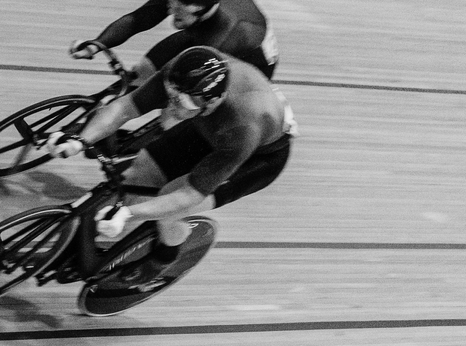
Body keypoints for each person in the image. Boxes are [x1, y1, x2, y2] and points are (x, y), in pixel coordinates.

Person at [46, 45, 296, 290]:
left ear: (214, 100)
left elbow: (188, 195)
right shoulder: (183, 72)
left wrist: (128, 214)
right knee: (140, 170)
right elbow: (126, 107)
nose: (172, 107)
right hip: (208, 126)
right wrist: (80, 139)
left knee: (169, 202)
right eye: (172, 97)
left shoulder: (243, 127)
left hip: (257, 157)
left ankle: (164, 257)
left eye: (183, 103)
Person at [69, 0, 277, 80]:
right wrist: (98, 44)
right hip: (202, 32)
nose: (169, 10)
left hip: (247, 63)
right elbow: (138, 19)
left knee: (183, 104)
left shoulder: (229, 34)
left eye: (178, 9)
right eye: (170, 3)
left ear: (200, 9)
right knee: (140, 74)